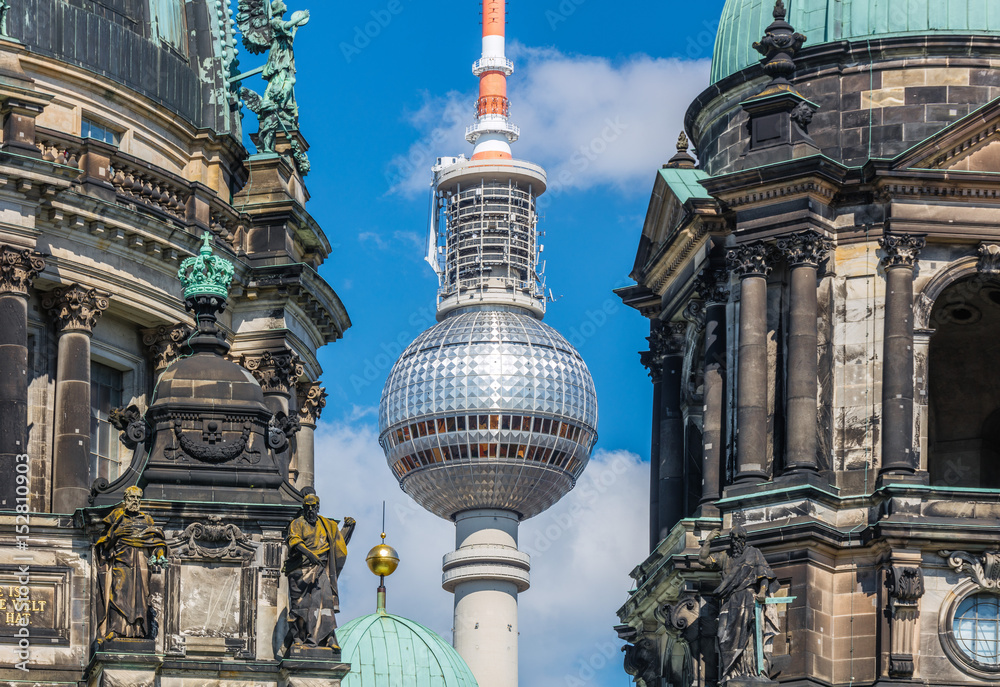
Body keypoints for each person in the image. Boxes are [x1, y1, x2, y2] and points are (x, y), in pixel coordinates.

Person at [700, 524, 780, 681]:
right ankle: (730, 673)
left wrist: (763, 592)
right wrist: (707, 541)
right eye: (733, 538)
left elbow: (764, 575)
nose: (736, 541)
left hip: (748, 599)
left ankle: (748, 671)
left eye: (740, 538)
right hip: (729, 602)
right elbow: (703, 559)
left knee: (750, 635)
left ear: (744, 540)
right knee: (722, 635)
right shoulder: (724, 557)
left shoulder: (754, 553)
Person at [94, 486, 168, 641]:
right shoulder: (117, 516)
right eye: (132, 498)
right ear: (125, 499)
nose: (135, 501)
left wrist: (159, 554)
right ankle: (115, 629)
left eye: (137, 498)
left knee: (141, 597)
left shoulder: (146, 520)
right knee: (118, 592)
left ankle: (138, 631)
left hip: (141, 563)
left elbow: (156, 540)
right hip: (121, 562)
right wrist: (116, 534)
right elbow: (104, 544)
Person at [284, 494, 355, 651]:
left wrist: (348, 528)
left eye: (313, 507)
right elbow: (294, 541)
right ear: (304, 508)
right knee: (300, 607)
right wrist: (310, 554)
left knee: (325, 603)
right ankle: (298, 638)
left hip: (321, 569)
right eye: (308, 507)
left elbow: (336, 544)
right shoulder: (297, 523)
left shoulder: (326, 525)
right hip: (301, 571)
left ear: (318, 507)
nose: (311, 510)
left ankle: (327, 638)